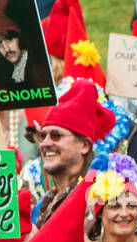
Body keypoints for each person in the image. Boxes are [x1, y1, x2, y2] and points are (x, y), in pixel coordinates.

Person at [32, 81, 114, 224]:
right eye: (42, 136)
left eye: (56, 135)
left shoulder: (102, 200)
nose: (45, 143)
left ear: (84, 145)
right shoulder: (43, 204)